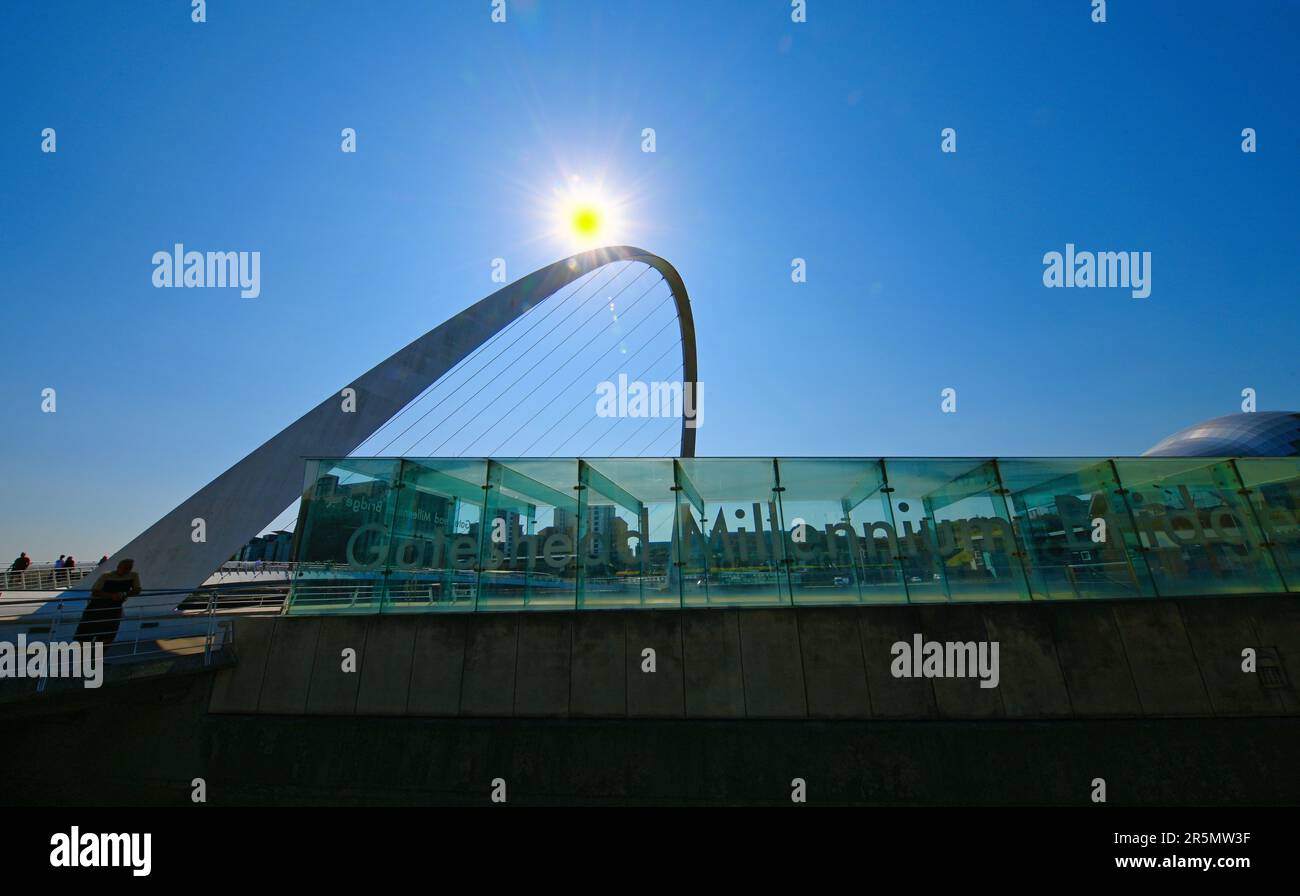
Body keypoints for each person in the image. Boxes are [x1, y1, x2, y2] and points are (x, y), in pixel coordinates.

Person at [73, 559, 142, 646]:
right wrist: (112, 596)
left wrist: (124, 594)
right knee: (85, 635)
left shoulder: (133, 576)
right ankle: (85, 657)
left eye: (128, 568)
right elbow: (95, 591)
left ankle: (95, 656)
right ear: (118, 567)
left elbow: (137, 590)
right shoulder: (106, 576)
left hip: (114, 609)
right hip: (96, 608)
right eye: (124, 568)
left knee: (107, 637)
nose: (126, 571)